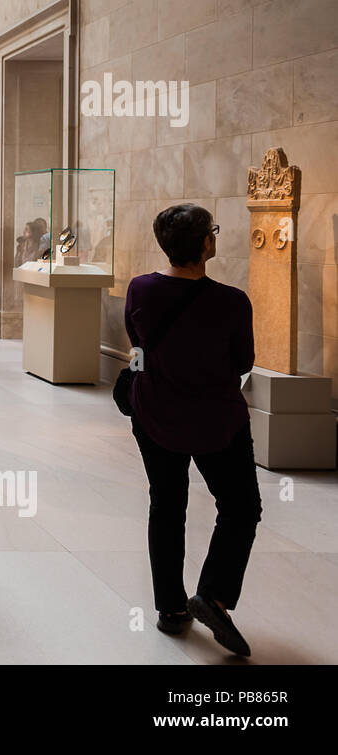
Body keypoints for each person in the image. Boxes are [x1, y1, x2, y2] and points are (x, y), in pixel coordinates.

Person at [125, 203, 260, 656]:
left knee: (166, 504)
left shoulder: (140, 290)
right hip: (217, 420)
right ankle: (214, 594)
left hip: (155, 414)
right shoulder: (232, 302)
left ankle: (172, 608)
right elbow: (242, 362)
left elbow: (138, 344)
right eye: (212, 231)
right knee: (241, 506)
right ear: (205, 244)